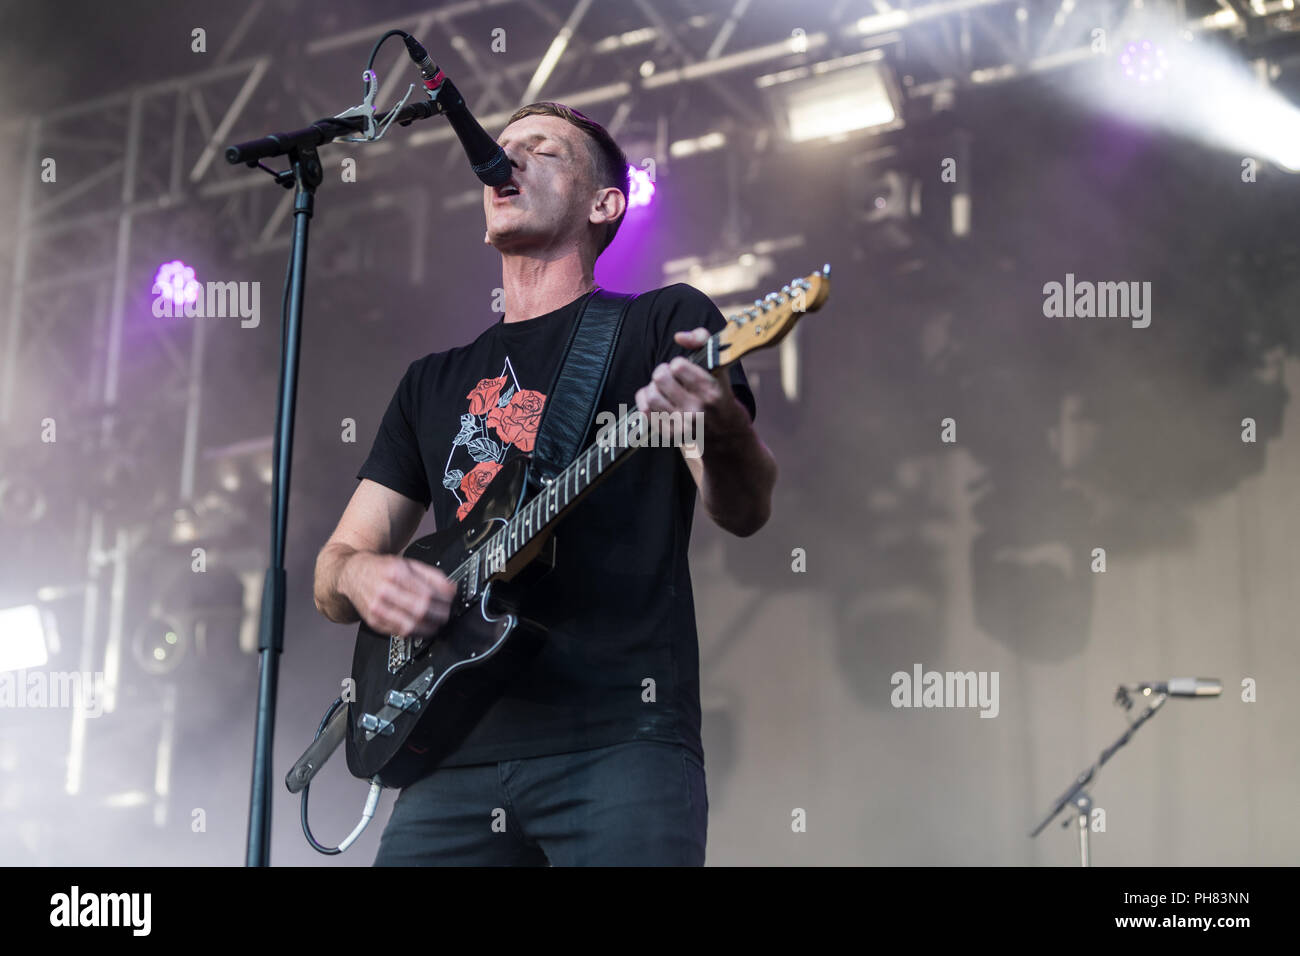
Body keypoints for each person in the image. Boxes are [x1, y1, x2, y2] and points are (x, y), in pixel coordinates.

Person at [312, 102, 777, 866]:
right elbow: (335, 567)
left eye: (543, 150)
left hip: (618, 742)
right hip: (446, 753)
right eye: (503, 150)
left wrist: (721, 422)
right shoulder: (430, 382)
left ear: (604, 205)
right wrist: (364, 578)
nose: (507, 161)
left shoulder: (663, 326)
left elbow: (746, 510)